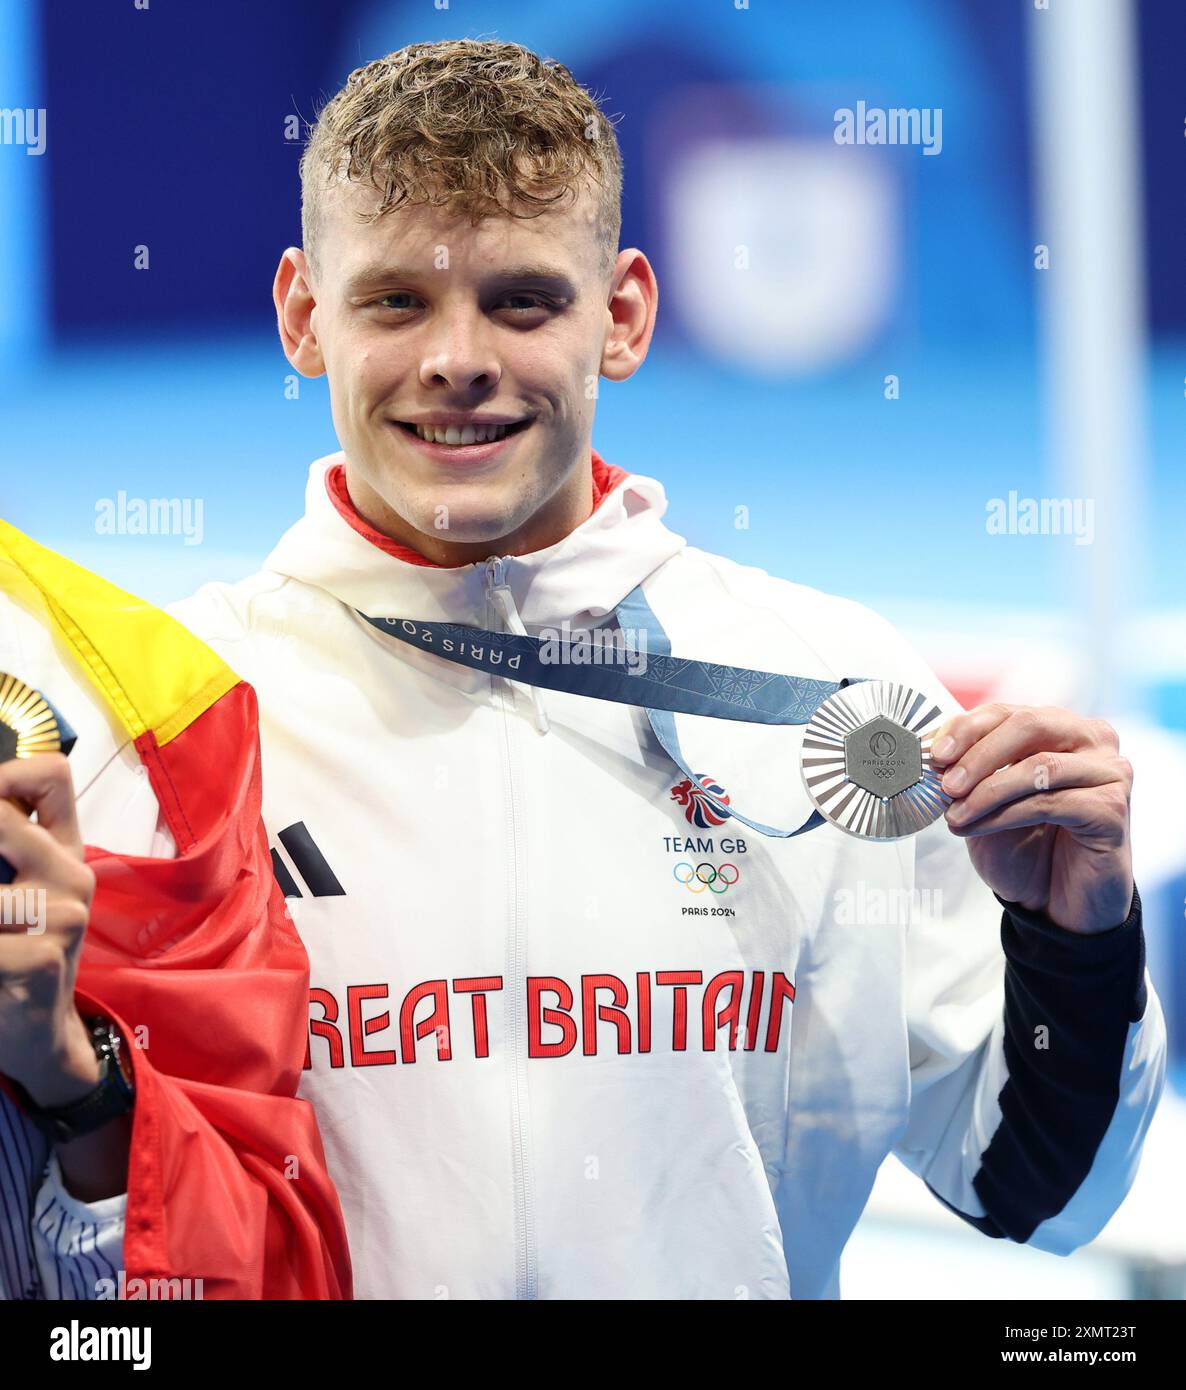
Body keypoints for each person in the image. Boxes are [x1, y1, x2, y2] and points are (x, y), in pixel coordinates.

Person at [0, 37, 1165, 1300]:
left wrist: (1071, 936)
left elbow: (1042, 1188)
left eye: (521, 299)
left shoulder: (825, 691)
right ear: (302, 316)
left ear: (620, 316)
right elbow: (103, 1280)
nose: (459, 357)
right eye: (396, 300)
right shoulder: (162, 725)